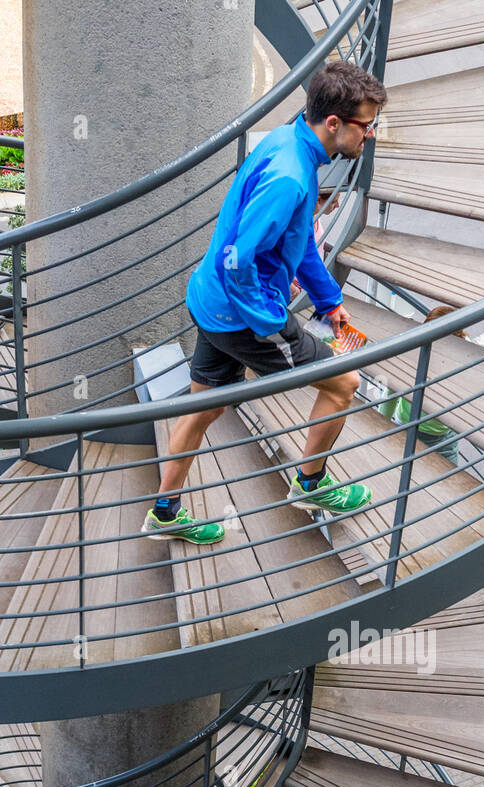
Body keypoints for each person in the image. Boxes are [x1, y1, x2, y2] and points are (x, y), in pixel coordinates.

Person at [142, 61, 387, 545]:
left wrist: (327, 299)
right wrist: (272, 324)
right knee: (344, 383)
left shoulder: (286, 140)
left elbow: (292, 246)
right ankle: (312, 484)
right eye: (367, 124)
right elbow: (240, 262)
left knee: (203, 408)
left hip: (208, 302)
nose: (372, 135)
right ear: (334, 123)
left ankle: (165, 513)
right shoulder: (292, 179)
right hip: (241, 316)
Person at [373, 305, 465, 468]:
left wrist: (382, 427)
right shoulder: (413, 356)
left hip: (438, 434)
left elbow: (390, 394)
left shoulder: (460, 357)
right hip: (418, 429)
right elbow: (392, 391)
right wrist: (381, 428)